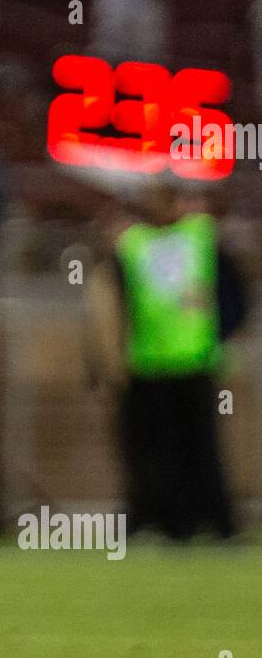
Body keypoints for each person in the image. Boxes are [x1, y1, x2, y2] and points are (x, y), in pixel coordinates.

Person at [86, 186, 247, 541]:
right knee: (177, 452)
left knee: (191, 451)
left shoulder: (156, 242)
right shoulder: (186, 239)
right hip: (161, 362)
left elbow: (233, 297)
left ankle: (199, 522)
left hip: (175, 361)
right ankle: (187, 522)